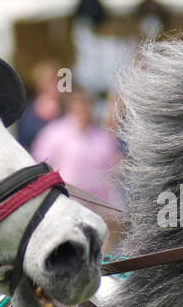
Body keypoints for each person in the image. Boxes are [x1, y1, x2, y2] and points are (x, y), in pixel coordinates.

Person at [31, 88, 125, 249]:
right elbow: (41, 165)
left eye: (87, 105)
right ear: (71, 108)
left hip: (99, 207)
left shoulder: (102, 136)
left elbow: (112, 171)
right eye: (79, 105)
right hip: (67, 205)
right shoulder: (54, 133)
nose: (83, 109)